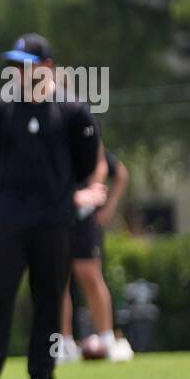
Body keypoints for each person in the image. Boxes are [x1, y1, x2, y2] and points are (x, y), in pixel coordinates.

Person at [0, 34, 100, 379]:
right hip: (7, 219)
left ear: (48, 68)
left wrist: (59, 190)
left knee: (50, 301)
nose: (20, 72)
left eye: (28, 65)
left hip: (54, 220)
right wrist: (13, 186)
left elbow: (86, 160)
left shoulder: (71, 110)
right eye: (16, 65)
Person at [60, 149, 130, 361]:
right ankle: (63, 343)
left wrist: (105, 205)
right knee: (58, 278)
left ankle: (107, 338)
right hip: (58, 212)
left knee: (88, 273)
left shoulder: (85, 131)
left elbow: (116, 171)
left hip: (84, 218)